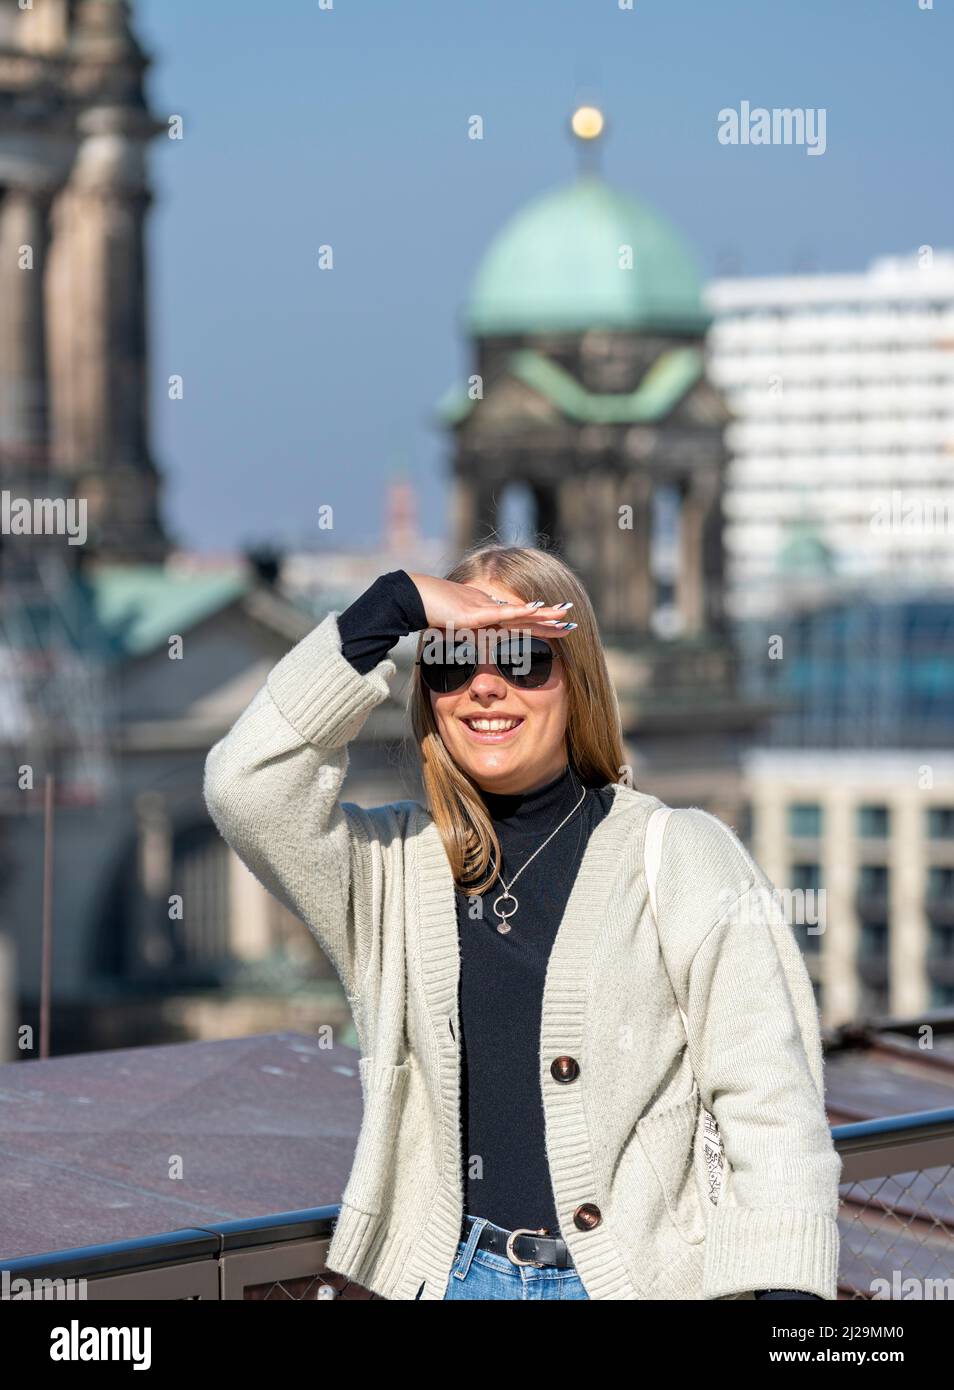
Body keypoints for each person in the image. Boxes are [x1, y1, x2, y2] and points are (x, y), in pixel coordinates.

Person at [203, 543, 841, 1301]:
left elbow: (770, 1103)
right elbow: (246, 788)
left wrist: (788, 1300)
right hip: (450, 1281)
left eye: (519, 658)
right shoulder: (393, 865)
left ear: (578, 681)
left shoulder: (682, 855)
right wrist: (391, 605)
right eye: (451, 660)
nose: (484, 688)